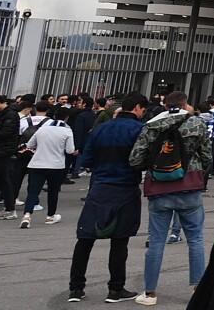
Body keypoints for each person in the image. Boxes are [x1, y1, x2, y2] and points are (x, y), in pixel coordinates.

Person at [130, 90, 213, 305]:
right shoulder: (196, 124)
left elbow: (135, 158)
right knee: (195, 239)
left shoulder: (151, 125)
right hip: (189, 186)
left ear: (165, 105)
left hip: (159, 187)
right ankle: (198, 287)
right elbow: (206, 156)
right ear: (185, 104)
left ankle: (150, 292)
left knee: (156, 242)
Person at [68, 94, 149, 302]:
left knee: (85, 238)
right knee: (120, 240)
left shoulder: (101, 128)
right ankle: (115, 288)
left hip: (100, 186)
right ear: (138, 108)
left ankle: (76, 288)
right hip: (125, 186)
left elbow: (87, 159)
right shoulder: (139, 130)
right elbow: (142, 160)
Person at [17, 98, 76, 228]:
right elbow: (70, 150)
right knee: (53, 191)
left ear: (54, 116)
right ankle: (50, 215)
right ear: (66, 118)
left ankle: (27, 215)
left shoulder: (42, 129)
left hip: (37, 163)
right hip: (56, 165)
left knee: (33, 191)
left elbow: (30, 144)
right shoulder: (67, 131)